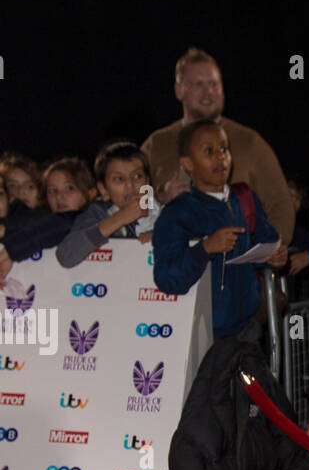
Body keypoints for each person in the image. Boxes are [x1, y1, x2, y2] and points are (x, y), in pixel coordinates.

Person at [142, 47, 295, 249]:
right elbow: (130, 199)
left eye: (214, 84)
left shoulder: (250, 142)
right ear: (179, 90)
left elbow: (281, 205)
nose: (208, 92)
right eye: (198, 85)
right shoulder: (157, 144)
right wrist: (158, 198)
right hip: (169, 266)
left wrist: (267, 251)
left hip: (235, 266)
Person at [151, 118, 287, 340]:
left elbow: (263, 241)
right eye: (208, 151)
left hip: (248, 327)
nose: (220, 157)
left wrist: (274, 256)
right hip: (203, 337)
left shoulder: (244, 198)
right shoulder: (177, 213)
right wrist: (204, 248)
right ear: (187, 163)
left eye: (224, 149)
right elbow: (167, 278)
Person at [56, 142, 156, 268]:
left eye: (137, 176)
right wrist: (120, 218)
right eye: (119, 179)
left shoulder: (164, 212)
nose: (130, 186)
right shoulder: (97, 214)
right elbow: (66, 255)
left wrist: (161, 234)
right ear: (103, 189)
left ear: (147, 182)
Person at [0, 157, 95, 278]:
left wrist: (10, 248)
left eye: (70, 188)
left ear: (91, 193)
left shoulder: (92, 217)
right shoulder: (43, 223)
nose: (59, 196)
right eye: (52, 191)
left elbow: (65, 222)